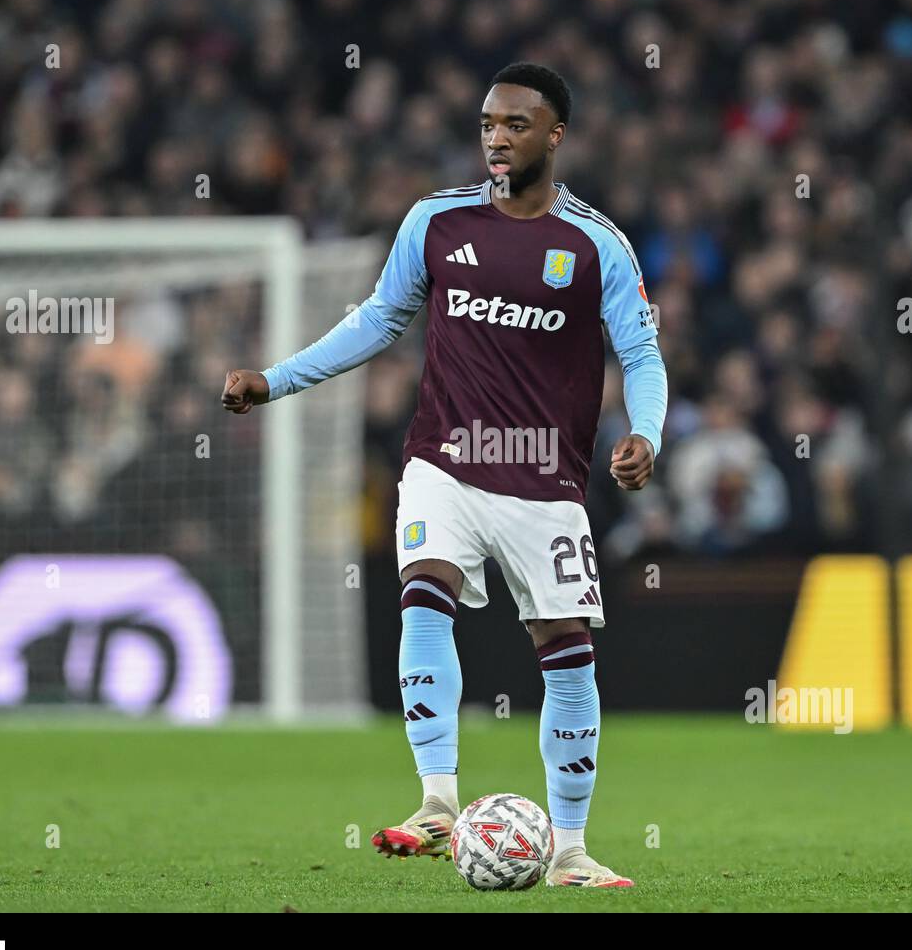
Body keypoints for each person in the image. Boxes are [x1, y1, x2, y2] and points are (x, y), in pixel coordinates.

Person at [222, 63, 666, 888]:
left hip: (545, 480)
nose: (498, 137)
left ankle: (569, 851)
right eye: (489, 123)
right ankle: (437, 799)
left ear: (555, 135)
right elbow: (378, 319)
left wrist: (646, 432)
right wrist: (276, 380)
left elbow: (640, 351)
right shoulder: (435, 222)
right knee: (423, 589)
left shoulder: (595, 243)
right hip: (446, 462)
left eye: (517, 124)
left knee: (566, 658)